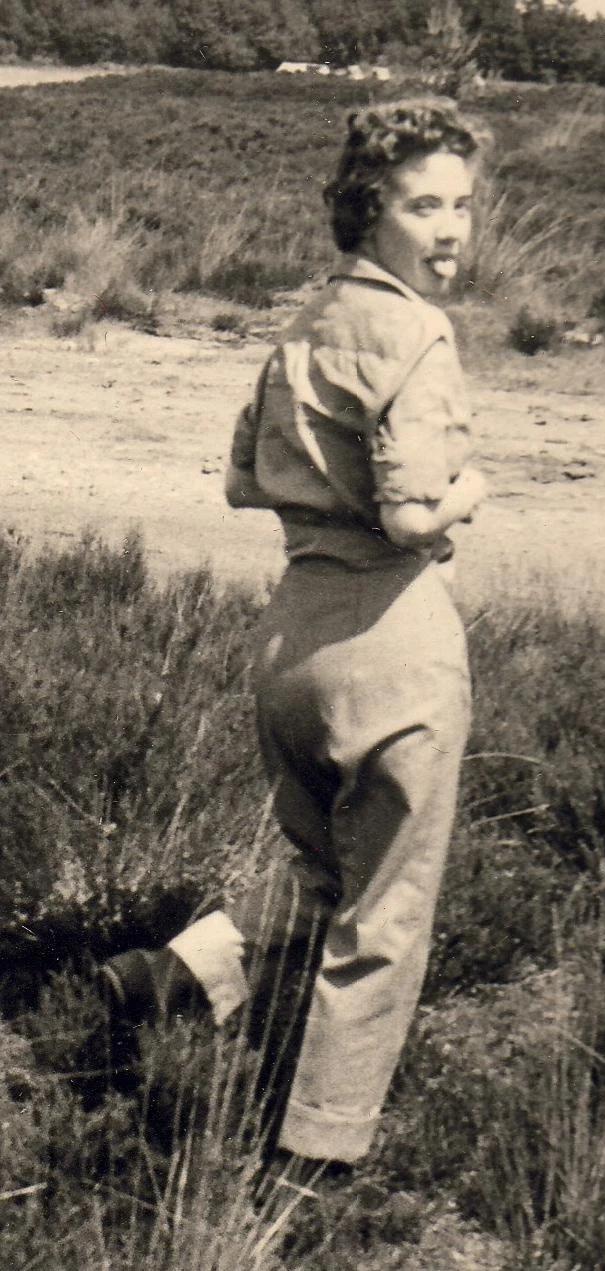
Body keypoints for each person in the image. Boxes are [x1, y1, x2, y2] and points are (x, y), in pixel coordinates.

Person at [99, 98, 488, 1183]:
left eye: (462, 203)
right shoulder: (418, 333)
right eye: (424, 205)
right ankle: (319, 1151)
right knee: (384, 914)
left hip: (289, 641)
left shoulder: (305, 321)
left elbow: (237, 478)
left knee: (322, 875)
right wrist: (471, 488)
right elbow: (413, 515)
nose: (450, 227)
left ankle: (172, 974)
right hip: (387, 634)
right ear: (369, 211)